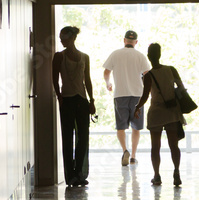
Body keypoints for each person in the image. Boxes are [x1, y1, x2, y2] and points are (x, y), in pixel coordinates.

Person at [133, 43, 186, 186]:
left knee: (155, 147)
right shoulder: (171, 70)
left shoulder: (148, 76)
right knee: (174, 145)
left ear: (149, 56)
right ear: (160, 54)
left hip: (156, 113)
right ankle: (176, 172)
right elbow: (181, 88)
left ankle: (157, 176)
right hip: (171, 111)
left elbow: (145, 96)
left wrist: (137, 107)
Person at [52, 26, 95, 186]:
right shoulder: (59, 56)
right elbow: (55, 78)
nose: (61, 41)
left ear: (72, 39)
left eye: (64, 38)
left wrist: (92, 100)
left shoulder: (85, 57)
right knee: (67, 137)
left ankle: (80, 173)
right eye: (60, 38)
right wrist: (59, 96)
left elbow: (87, 80)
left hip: (82, 99)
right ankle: (70, 175)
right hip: (67, 100)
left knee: (83, 137)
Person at [102, 30, 151, 167]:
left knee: (121, 127)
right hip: (138, 95)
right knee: (136, 128)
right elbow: (148, 75)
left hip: (120, 94)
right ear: (136, 42)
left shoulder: (115, 54)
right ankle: (133, 156)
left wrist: (108, 83)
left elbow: (106, 72)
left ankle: (125, 150)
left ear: (124, 40)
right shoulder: (140, 56)